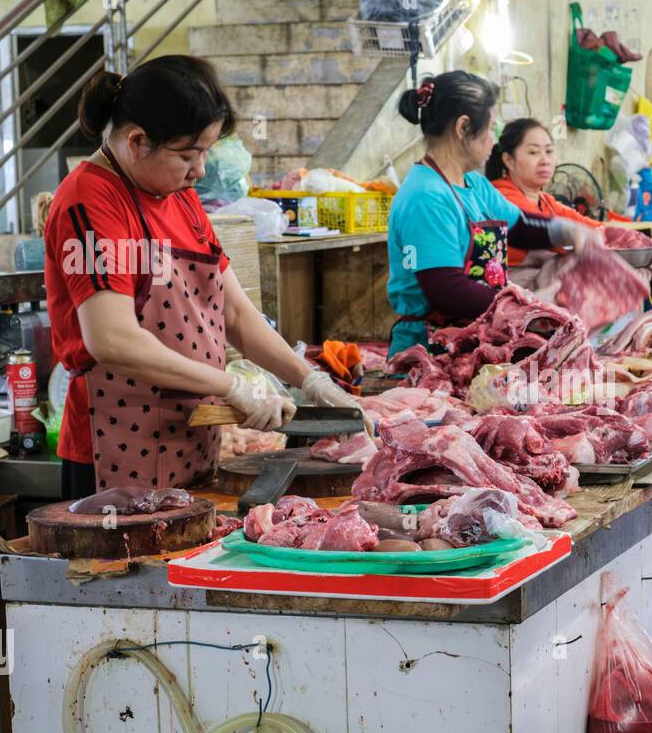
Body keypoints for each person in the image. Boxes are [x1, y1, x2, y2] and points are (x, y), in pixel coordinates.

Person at [44, 55, 359, 500]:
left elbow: (234, 310)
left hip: (190, 440)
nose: (201, 170)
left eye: (207, 151)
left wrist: (309, 380)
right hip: (114, 449)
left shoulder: (180, 196)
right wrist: (232, 385)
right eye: (189, 154)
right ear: (136, 142)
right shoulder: (90, 200)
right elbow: (111, 340)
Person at [385, 72, 594, 358]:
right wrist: (528, 305)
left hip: (476, 342)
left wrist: (565, 230)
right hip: (430, 355)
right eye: (491, 128)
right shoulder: (426, 196)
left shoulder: (475, 184)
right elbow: (447, 289)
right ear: (464, 127)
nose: (494, 141)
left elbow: (519, 226)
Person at [485, 118, 603, 266]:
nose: (545, 160)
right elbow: (544, 234)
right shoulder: (500, 195)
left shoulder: (547, 201)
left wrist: (615, 235)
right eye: (533, 152)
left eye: (549, 151)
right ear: (509, 160)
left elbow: (590, 226)